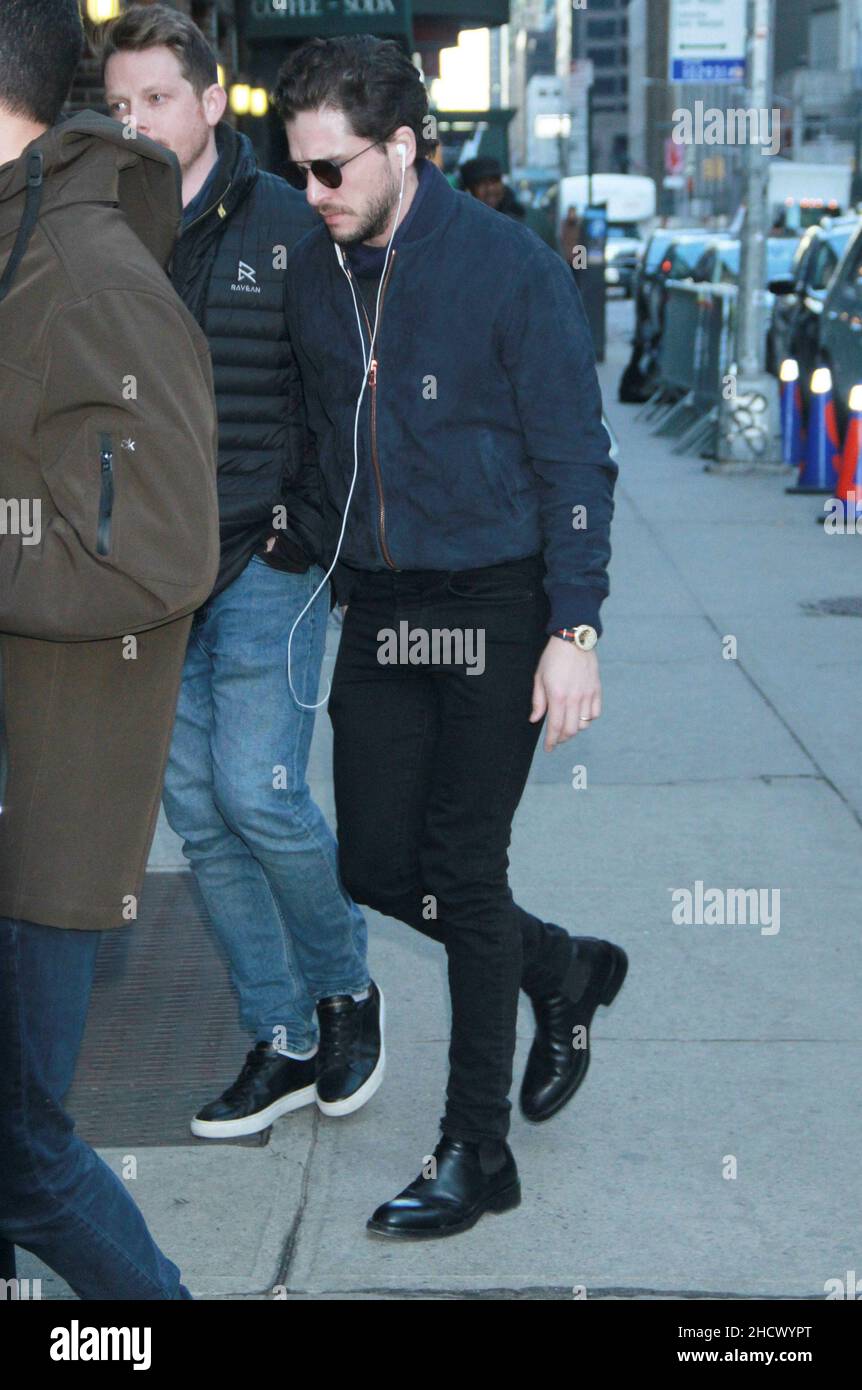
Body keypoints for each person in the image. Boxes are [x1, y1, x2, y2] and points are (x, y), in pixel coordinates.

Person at [275, 35, 628, 1239]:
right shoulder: (317, 267)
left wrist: (572, 624)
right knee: (376, 863)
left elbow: (577, 457)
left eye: (331, 171)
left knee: (465, 869)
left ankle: (476, 1148)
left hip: (493, 603)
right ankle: (557, 967)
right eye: (299, 169)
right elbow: (321, 440)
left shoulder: (508, 270)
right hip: (380, 607)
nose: (313, 193)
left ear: (403, 149)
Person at [100, 6, 381, 1141]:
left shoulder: (290, 220)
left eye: (157, 98)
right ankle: (283, 1032)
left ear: (214, 101)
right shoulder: (102, 226)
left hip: (267, 555)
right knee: (196, 814)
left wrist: (304, 526)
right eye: (117, 104)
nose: (137, 122)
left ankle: (344, 987)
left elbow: (345, 388)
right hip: (149, 577)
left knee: (258, 796)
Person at [0, 0, 219, 1298]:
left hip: (41, 821)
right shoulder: (22, 244)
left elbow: (157, 549)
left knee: (24, 1160)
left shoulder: (82, 267)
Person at [459, 154, 525, 220]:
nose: (491, 188)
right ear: (469, 190)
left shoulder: (517, 217)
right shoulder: (460, 221)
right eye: (483, 183)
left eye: (495, 181)